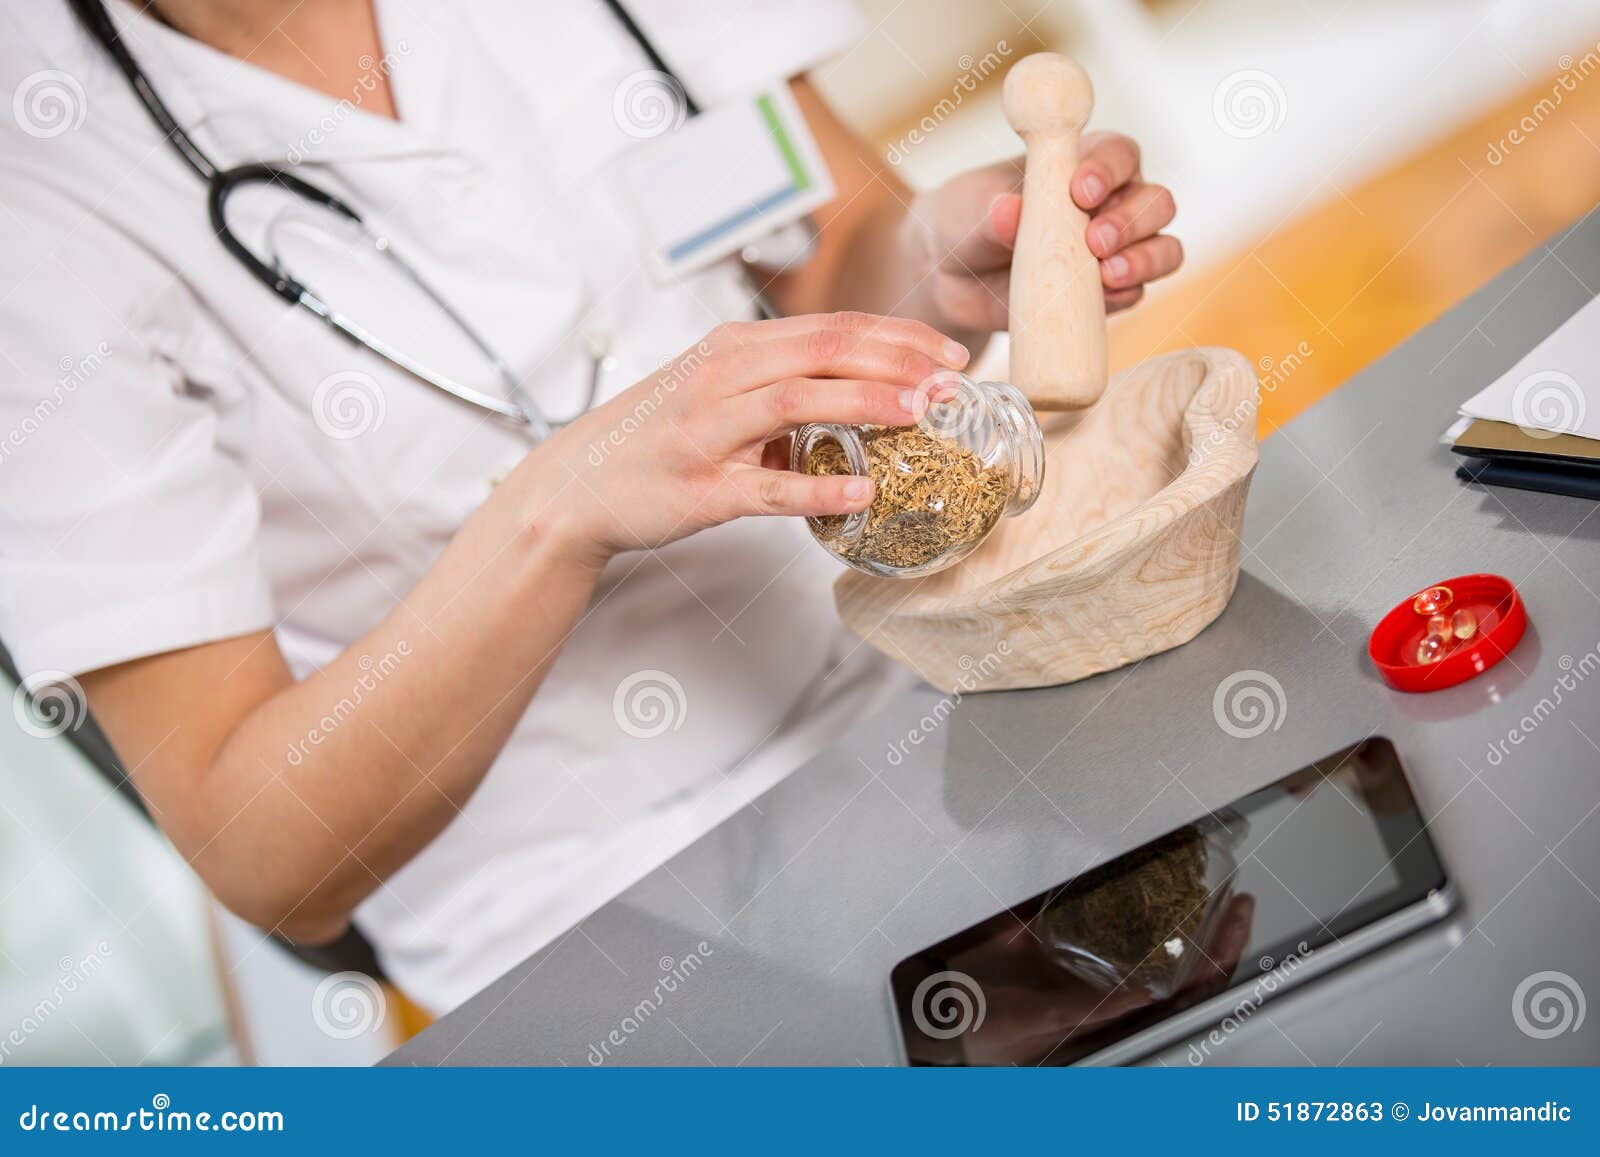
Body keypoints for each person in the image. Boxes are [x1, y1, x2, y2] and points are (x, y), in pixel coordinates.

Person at [0, 0, 1182, 1012]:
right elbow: (263, 847)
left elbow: (826, 252)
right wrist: (559, 509)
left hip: (912, 694)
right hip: (571, 911)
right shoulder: (35, 189)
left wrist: (938, 256)